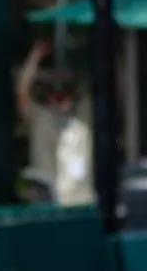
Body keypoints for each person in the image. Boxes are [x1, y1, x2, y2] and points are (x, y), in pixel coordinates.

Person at [15, 41, 93, 207]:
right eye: (54, 93)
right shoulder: (40, 117)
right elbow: (22, 91)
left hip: (84, 200)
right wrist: (35, 57)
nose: (60, 99)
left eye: (64, 92)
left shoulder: (84, 119)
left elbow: (103, 91)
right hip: (49, 201)